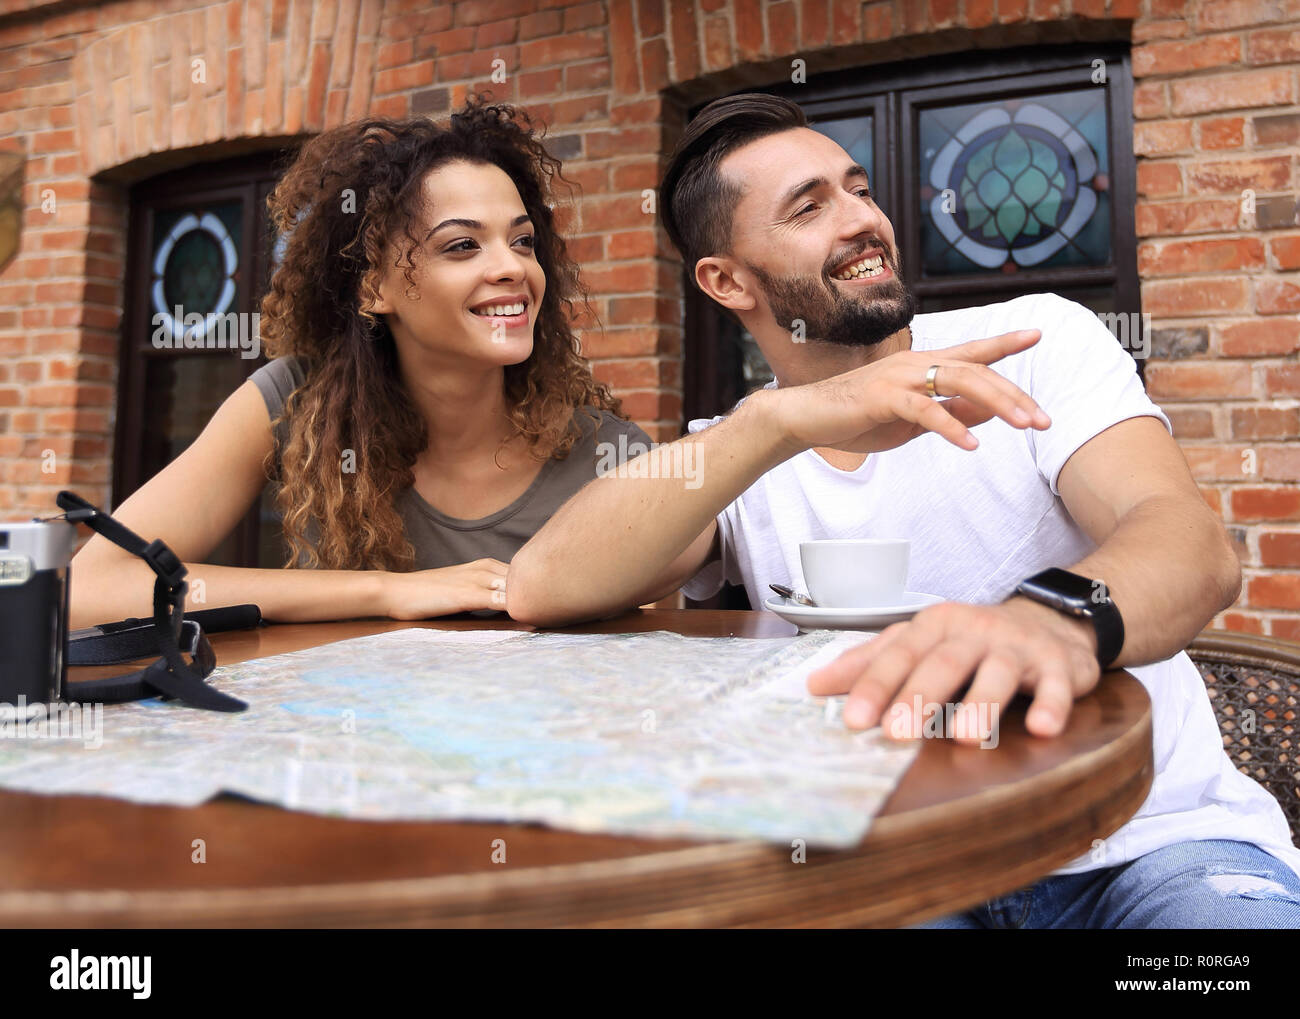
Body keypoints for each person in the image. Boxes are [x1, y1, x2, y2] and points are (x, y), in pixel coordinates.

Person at [507, 93, 1300, 927]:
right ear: (726, 280)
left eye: (858, 189)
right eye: (810, 207)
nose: (861, 219)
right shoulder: (740, 449)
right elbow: (544, 586)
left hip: (1151, 845)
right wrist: (777, 417)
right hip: (899, 873)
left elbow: (1188, 544)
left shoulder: (1034, 340)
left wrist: (1058, 617)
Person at [70, 97, 649, 628]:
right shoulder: (297, 401)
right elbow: (92, 588)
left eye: (522, 242)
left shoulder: (604, 454)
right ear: (374, 288)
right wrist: (385, 592)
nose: (513, 268)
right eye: (462, 245)